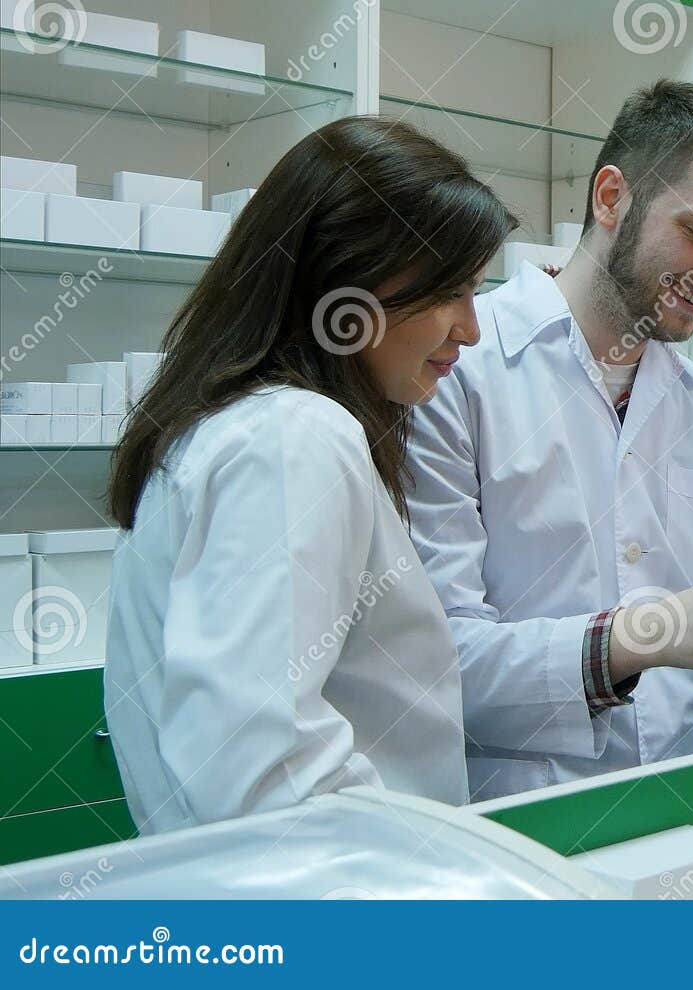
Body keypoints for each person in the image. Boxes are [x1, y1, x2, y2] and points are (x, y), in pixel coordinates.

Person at [406, 80, 693, 801]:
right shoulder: (456, 377)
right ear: (610, 198)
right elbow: (439, 661)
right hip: (516, 826)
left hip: (683, 818)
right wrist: (652, 631)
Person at [103, 117, 516, 834]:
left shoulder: (245, 427)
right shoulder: (293, 439)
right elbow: (267, 775)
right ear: (346, 282)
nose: (470, 329)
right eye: (451, 290)